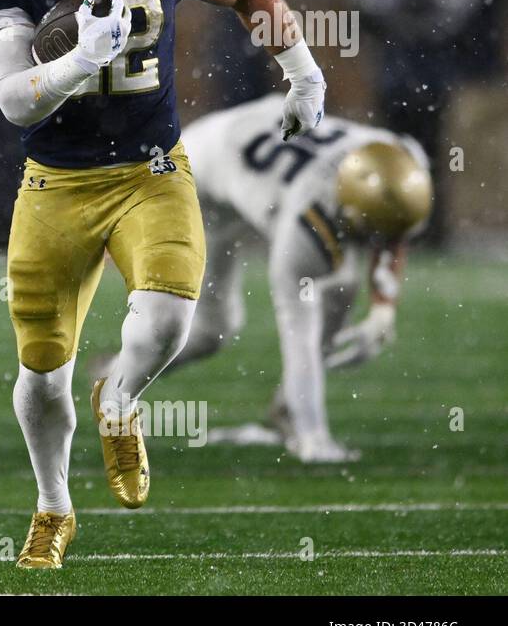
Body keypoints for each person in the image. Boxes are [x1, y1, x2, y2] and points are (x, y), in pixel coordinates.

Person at [0, 0, 328, 568]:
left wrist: (303, 73)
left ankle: (121, 398)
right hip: (55, 181)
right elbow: (13, 97)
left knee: (166, 323)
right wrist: (77, 63)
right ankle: (53, 507)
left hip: (151, 168)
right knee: (42, 372)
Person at [168, 94, 433, 462]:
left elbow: (393, 228)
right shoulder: (305, 224)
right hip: (198, 177)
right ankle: (116, 376)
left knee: (341, 286)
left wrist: (383, 307)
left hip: (260, 132)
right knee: (212, 331)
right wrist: (315, 440)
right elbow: (299, 338)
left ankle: (287, 411)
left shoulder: (397, 161)